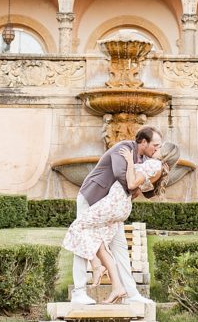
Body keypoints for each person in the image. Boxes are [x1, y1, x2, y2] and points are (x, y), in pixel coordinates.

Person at [64, 126, 166, 305]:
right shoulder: (124, 148)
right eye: (155, 145)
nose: (157, 149)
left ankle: (131, 294)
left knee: (120, 247)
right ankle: (79, 292)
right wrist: (137, 186)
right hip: (92, 198)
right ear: (143, 142)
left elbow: (140, 187)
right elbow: (122, 176)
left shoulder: (144, 159)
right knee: (83, 237)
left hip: (111, 206)